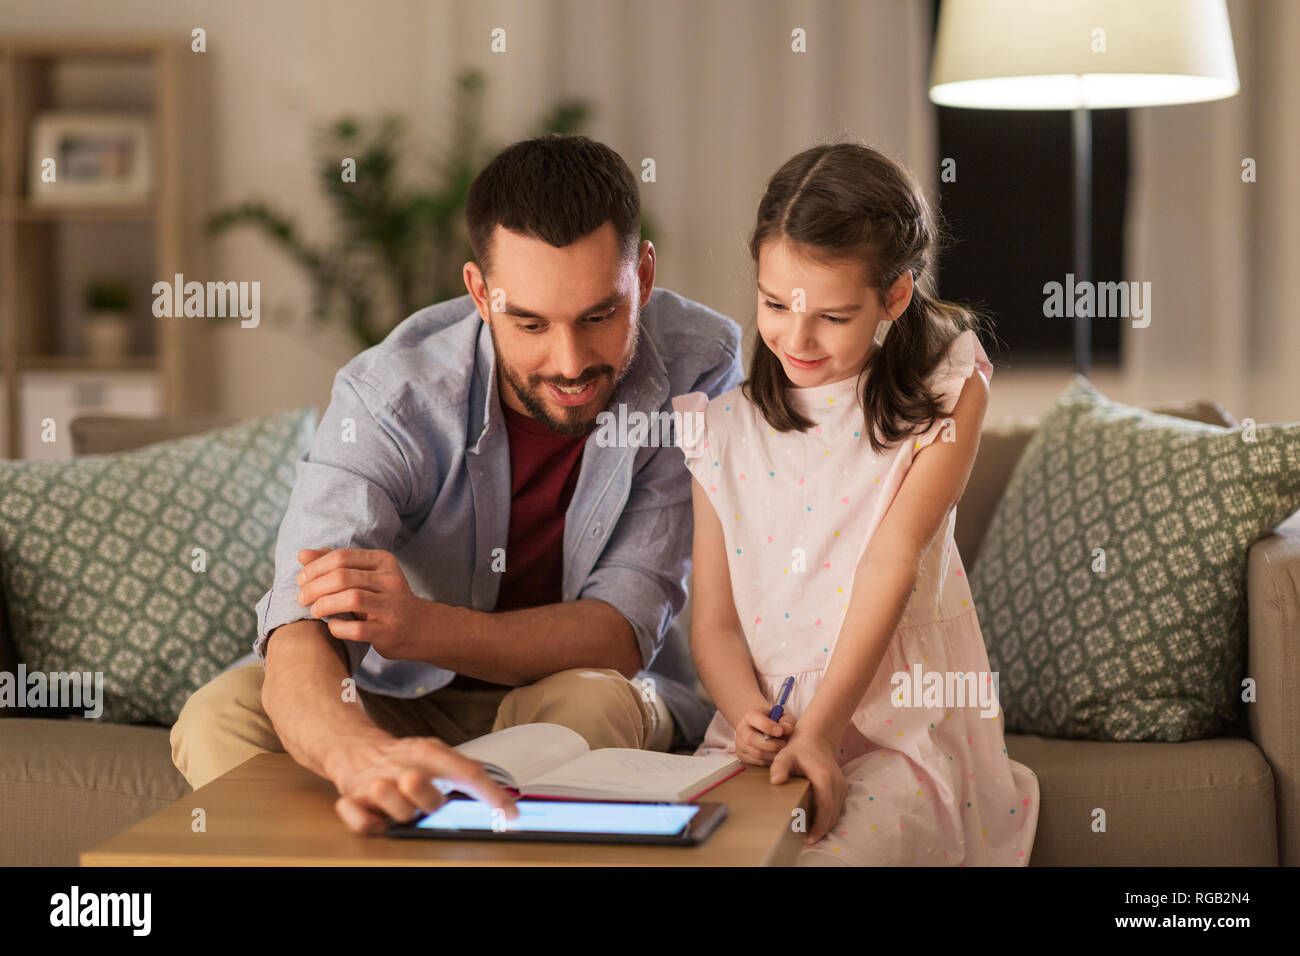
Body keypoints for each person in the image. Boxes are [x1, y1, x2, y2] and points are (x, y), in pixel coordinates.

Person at [170, 134, 744, 835]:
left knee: (593, 704)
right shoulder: (392, 397)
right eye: (529, 323)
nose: (569, 363)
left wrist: (421, 627)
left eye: (600, 316)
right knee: (219, 713)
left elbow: (618, 633)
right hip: (397, 695)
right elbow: (300, 627)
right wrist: (361, 757)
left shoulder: (698, 365)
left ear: (644, 278)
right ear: (479, 292)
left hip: (574, 689)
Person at [671, 140, 1039, 865]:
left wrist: (822, 731)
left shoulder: (948, 391)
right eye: (775, 304)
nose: (796, 337)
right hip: (767, 735)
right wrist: (749, 714)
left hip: (899, 733)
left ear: (894, 295)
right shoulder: (720, 433)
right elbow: (711, 621)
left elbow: (890, 562)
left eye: (834, 317)